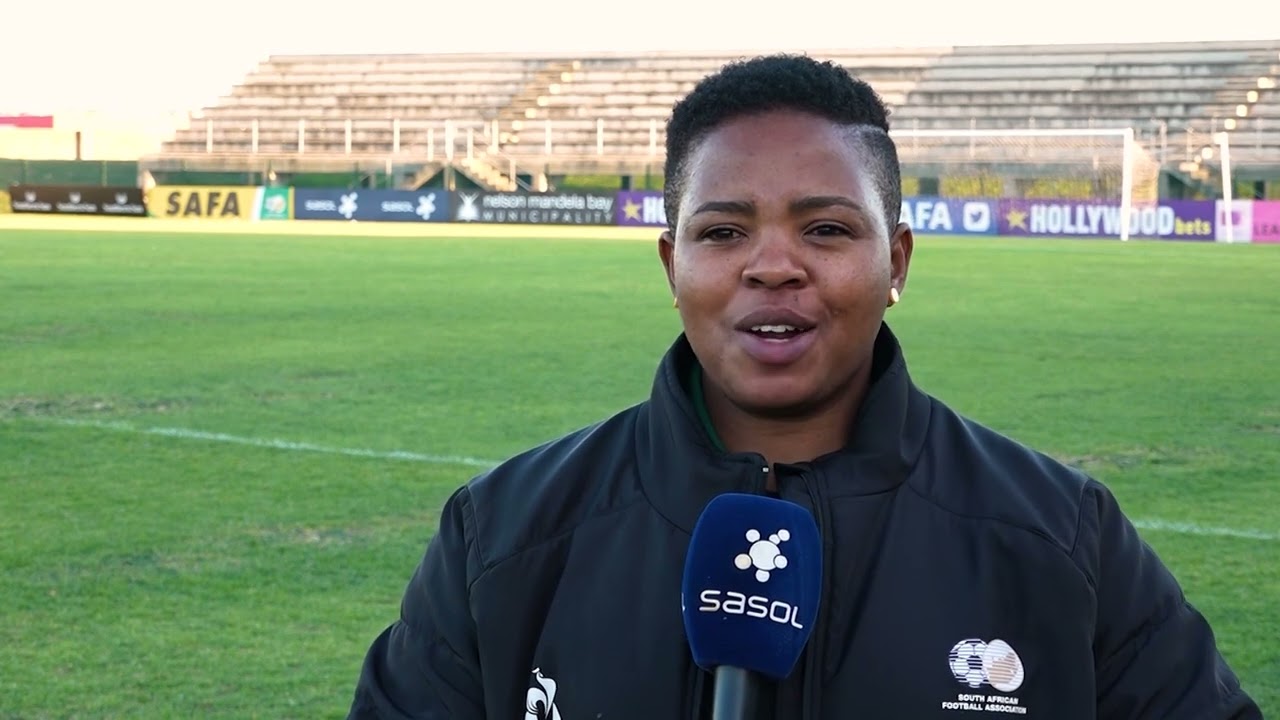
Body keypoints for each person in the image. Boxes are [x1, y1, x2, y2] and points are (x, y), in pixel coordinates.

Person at [345, 55, 1262, 719]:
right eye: (722, 233)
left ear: (895, 259)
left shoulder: (1060, 536)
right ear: (672, 264)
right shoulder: (503, 533)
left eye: (825, 230)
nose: (773, 267)